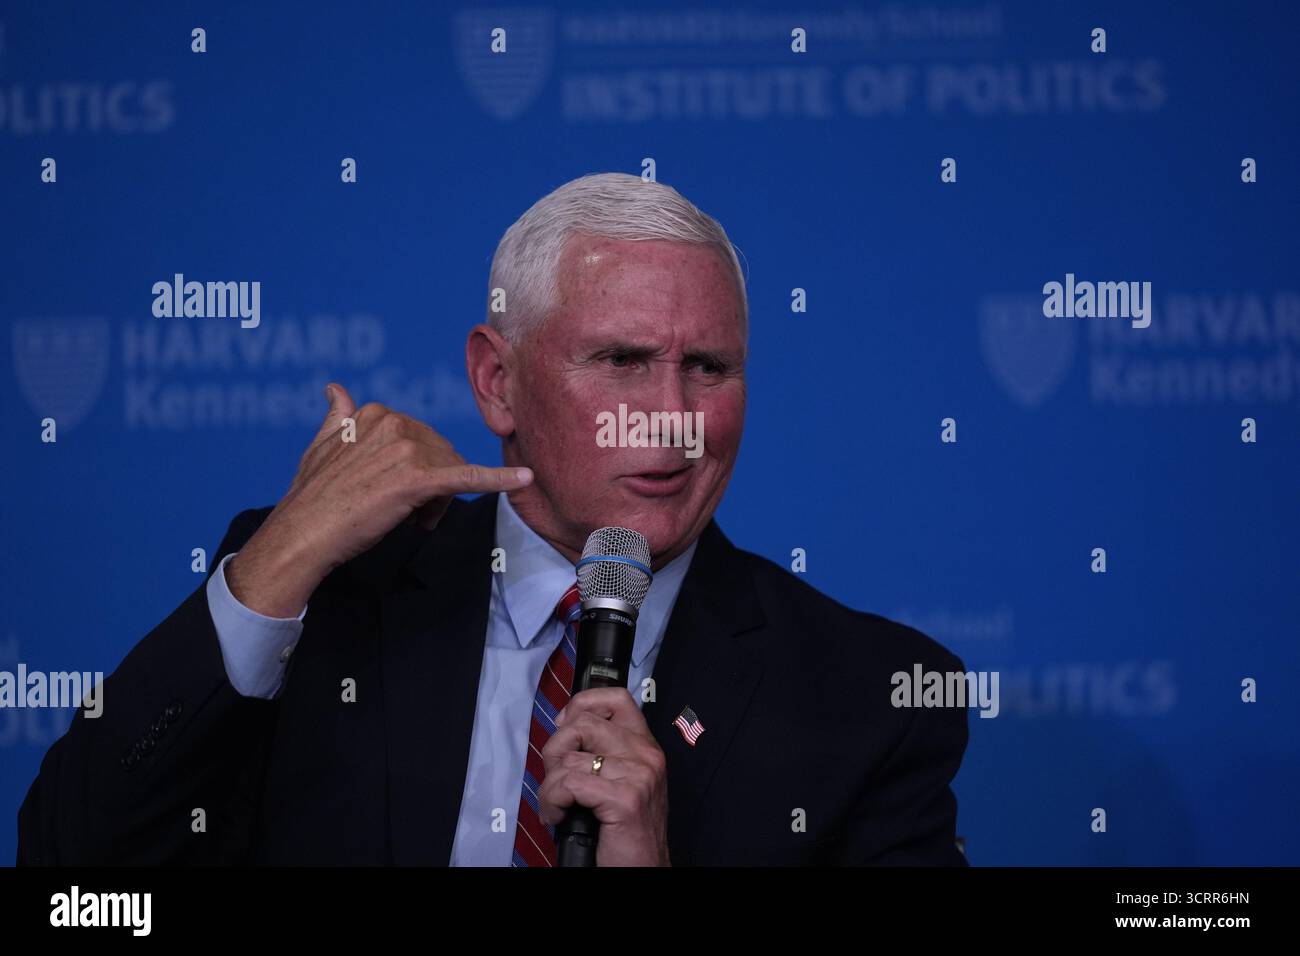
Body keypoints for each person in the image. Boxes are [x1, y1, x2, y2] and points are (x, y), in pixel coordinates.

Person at [18, 172, 968, 866]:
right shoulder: (325, 600)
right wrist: (282, 559)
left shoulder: (871, 698)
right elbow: (72, 863)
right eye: (624, 360)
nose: (673, 415)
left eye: (709, 369)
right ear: (497, 380)